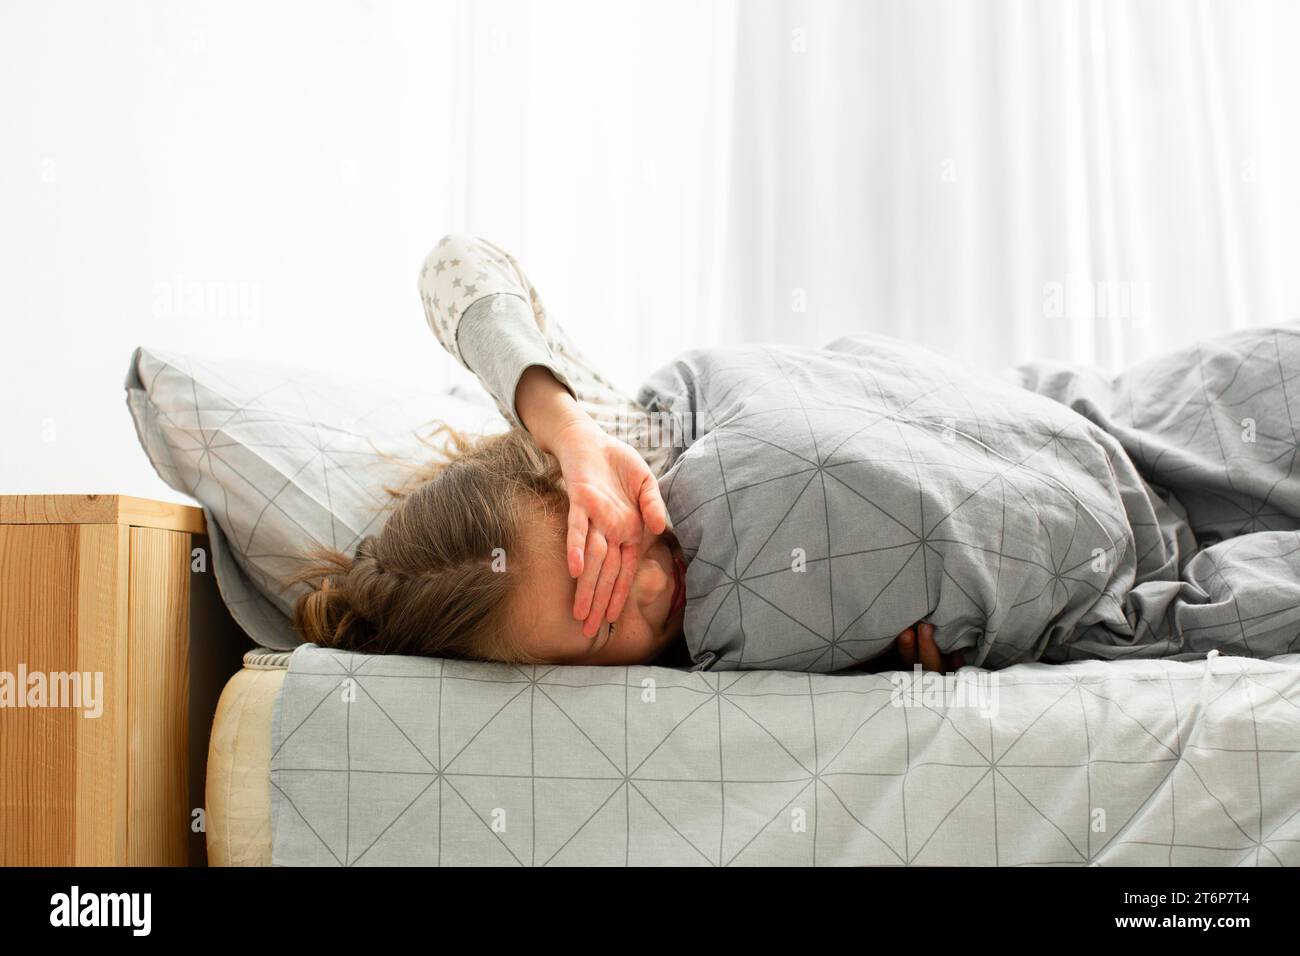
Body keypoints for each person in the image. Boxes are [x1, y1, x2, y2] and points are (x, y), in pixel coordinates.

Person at [290, 233, 962, 672]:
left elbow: (455, 265)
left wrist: (568, 430)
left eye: (612, 543)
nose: (654, 583)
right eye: (606, 621)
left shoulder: (631, 443)